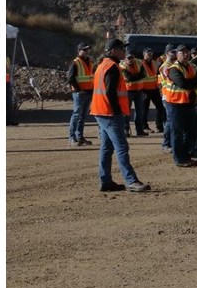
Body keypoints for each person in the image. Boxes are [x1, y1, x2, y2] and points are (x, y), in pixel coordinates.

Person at [89, 38, 151, 192]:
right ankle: (131, 181)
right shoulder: (112, 67)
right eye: (121, 48)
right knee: (122, 146)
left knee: (107, 148)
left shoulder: (103, 65)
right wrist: (117, 111)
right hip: (109, 113)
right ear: (112, 51)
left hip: (101, 111)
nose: (124, 51)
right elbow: (110, 92)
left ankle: (106, 181)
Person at [160, 43, 197, 167]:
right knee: (177, 132)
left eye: (186, 52)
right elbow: (182, 83)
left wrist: (191, 82)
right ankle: (179, 158)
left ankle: (186, 156)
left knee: (191, 131)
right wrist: (193, 82)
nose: (185, 55)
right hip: (174, 104)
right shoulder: (173, 68)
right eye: (182, 53)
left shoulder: (192, 66)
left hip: (188, 103)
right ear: (177, 55)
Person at [66, 42, 95, 146]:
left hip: (88, 92)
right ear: (79, 51)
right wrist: (78, 90)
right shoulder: (75, 63)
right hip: (79, 93)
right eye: (84, 49)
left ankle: (80, 137)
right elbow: (70, 78)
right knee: (77, 114)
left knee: (83, 116)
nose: (87, 51)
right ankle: (72, 137)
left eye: (88, 49)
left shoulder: (90, 62)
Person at [132, 47, 163, 137]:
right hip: (144, 89)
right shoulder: (140, 63)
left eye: (151, 53)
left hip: (154, 88)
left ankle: (159, 126)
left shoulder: (154, 63)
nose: (149, 55)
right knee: (144, 109)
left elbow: (157, 75)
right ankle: (144, 126)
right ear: (144, 54)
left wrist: (159, 85)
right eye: (148, 53)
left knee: (160, 107)